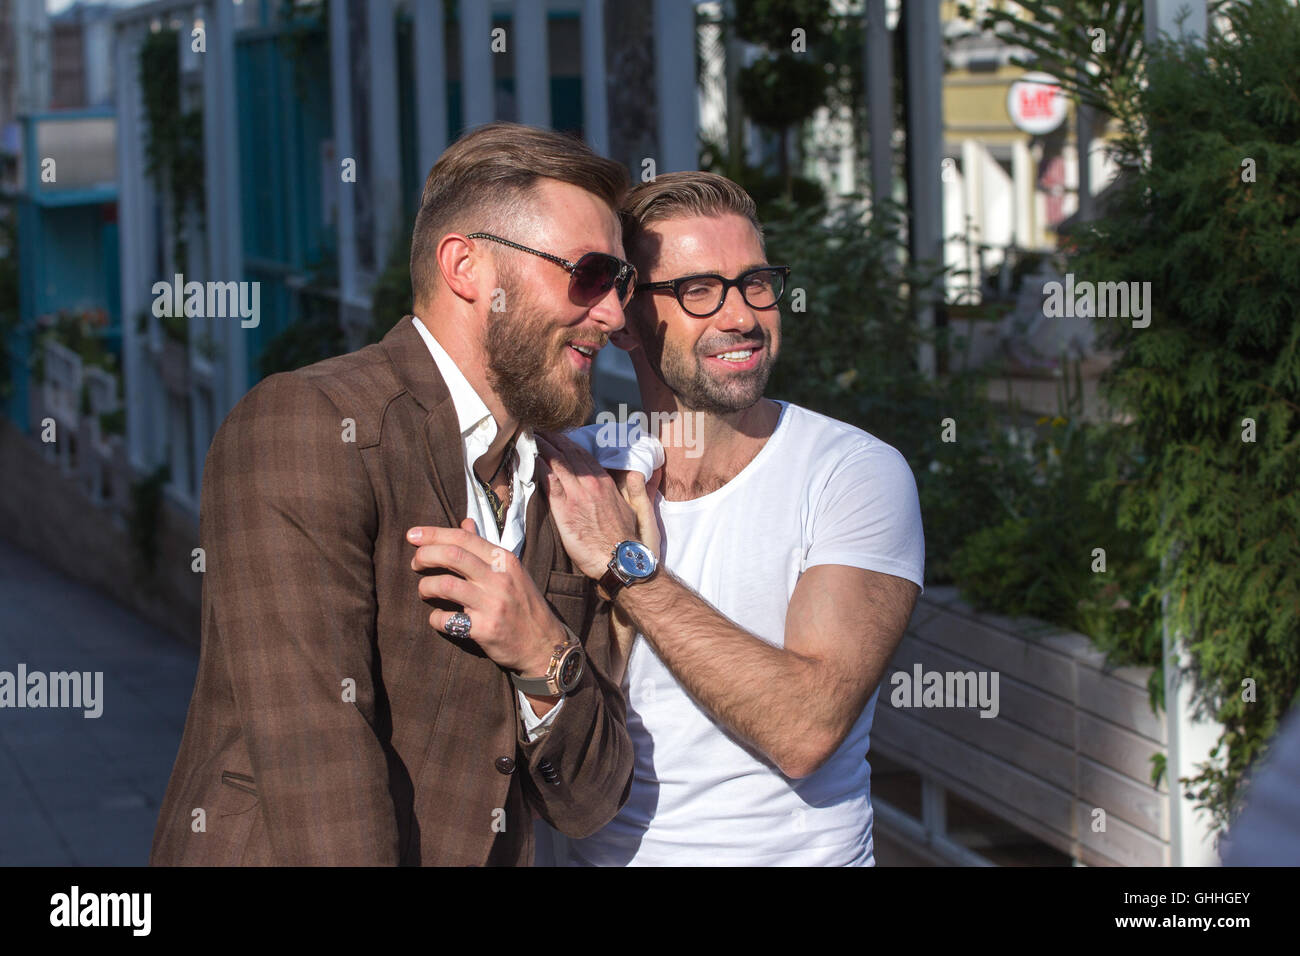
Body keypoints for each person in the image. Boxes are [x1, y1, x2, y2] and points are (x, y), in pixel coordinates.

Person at [150, 123, 638, 866]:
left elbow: (589, 797)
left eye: (622, 283)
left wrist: (545, 654)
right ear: (467, 267)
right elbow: (320, 763)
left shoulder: (567, 486)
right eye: (591, 274)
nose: (614, 314)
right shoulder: (309, 424)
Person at [534, 171, 925, 865]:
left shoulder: (852, 474)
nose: (742, 315)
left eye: (756, 282)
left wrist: (630, 568)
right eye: (698, 291)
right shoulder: (576, 478)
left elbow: (805, 728)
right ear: (625, 320)